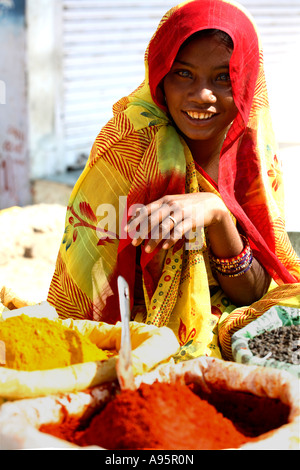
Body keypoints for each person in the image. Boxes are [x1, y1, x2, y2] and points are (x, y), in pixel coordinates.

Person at [48, 0, 300, 361]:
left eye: (223, 78)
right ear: (160, 76)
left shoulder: (250, 154)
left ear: (244, 83)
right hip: (135, 332)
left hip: (230, 324)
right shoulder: (131, 148)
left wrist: (217, 215)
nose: (202, 95)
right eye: (183, 73)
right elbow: (95, 291)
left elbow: (253, 293)